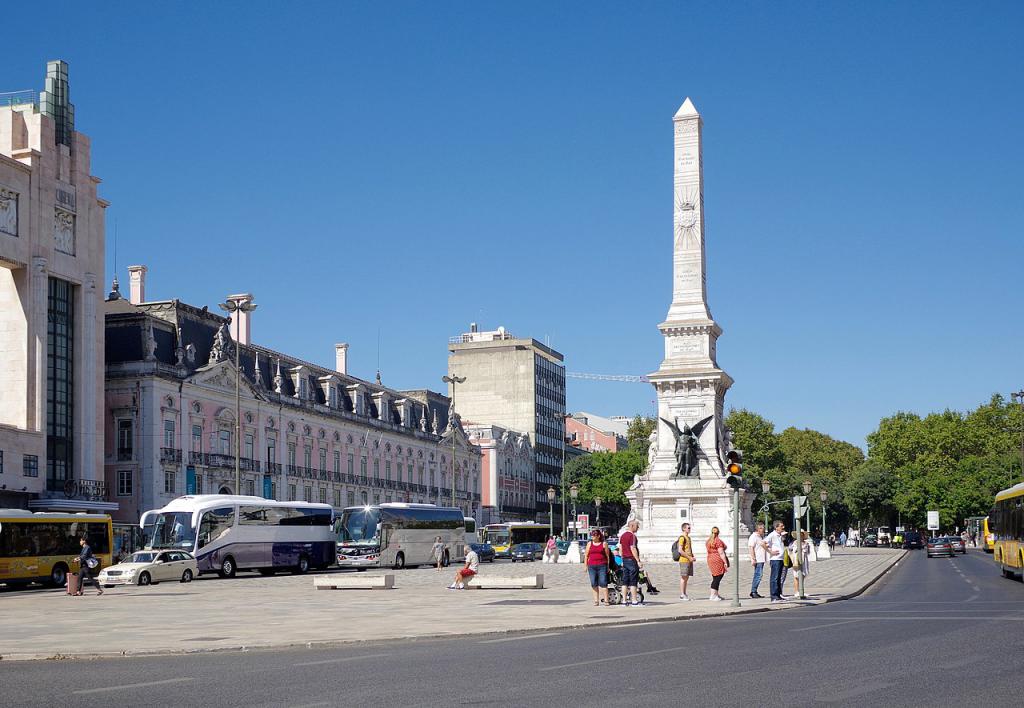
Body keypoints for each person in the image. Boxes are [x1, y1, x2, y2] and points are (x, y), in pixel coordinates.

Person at [619, 519, 644, 606]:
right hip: (631, 560)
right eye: (637, 526)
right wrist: (638, 560)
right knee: (633, 581)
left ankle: (624, 601)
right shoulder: (632, 536)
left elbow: (621, 548)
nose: (638, 528)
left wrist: (622, 559)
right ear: (632, 526)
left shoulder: (622, 536)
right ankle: (634, 600)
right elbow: (632, 548)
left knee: (625, 581)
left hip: (625, 560)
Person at [584, 529, 612, 606]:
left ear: (598, 536)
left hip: (602, 565)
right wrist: (585, 566)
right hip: (591, 566)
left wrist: (608, 566)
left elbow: (607, 556)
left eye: (594, 536)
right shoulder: (589, 544)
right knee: (593, 583)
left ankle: (606, 600)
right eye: (592, 536)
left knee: (603, 582)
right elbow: (586, 555)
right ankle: (596, 600)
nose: (592, 537)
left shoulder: (604, 544)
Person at [765, 521, 787, 603]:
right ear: (776, 527)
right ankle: (774, 596)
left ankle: (778, 595)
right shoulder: (772, 535)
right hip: (775, 559)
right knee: (774, 577)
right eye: (781, 526)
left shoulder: (779, 535)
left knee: (778, 578)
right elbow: (763, 543)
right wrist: (770, 552)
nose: (783, 527)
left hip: (780, 558)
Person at [706, 526, 728, 601]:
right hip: (717, 560)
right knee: (717, 577)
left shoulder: (708, 541)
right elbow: (721, 553)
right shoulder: (718, 541)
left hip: (710, 559)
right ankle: (713, 595)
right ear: (718, 533)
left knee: (715, 576)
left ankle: (716, 594)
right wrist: (725, 562)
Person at [748, 522, 767, 599]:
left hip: (761, 559)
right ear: (758, 529)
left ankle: (754, 591)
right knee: (758, 575)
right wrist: (753, 558)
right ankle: (753, 591)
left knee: (759, 575)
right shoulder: (754, 536)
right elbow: (751, 547)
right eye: (762, 528)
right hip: (758, 559)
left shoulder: (760, 537)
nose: (763, 530)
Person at [676, 522, 696, 601]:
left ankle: (684, 593)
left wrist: (692, 557)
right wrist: (689, 557)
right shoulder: (682, 537)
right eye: (688, 528)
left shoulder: (688, 538)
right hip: (684, 560)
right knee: (683, 577)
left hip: (689, 560)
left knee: (686, 578)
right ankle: (682, 594)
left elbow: (689, 549)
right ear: (684, 528)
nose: (689, 529)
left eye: (690, 528)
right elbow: (680, 550)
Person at [789, 531, 811, 596]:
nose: (801, 536)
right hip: (797, 560)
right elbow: (791, 550)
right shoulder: (795, 543)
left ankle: (801, 590)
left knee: (803, 575)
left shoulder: (806, 543)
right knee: (796, 576)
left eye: (802, 535)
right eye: (799, 535)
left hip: (804, 560)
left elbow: (808, 552)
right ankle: (796, 591)